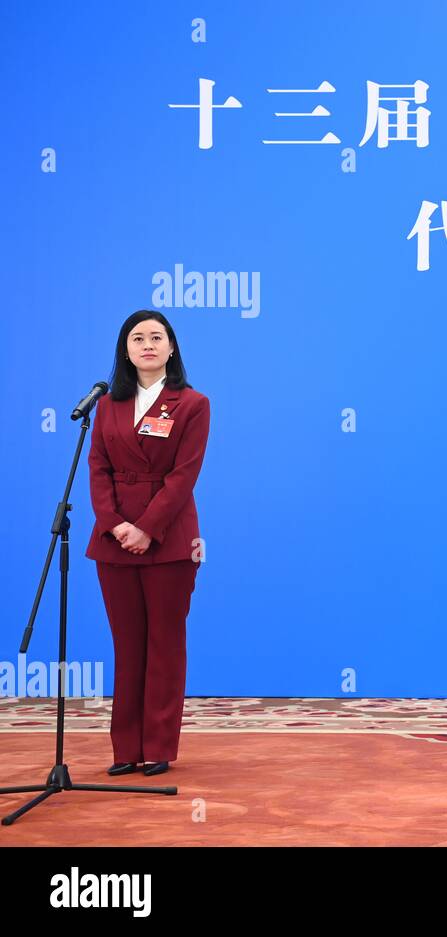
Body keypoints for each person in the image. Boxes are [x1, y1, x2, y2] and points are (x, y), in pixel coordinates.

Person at [86, 310, 210, 777]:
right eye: (137, 338)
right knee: (128, 645)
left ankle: (157, 746)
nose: (148, 345)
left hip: (168, 538)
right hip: (115, 539)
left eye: (157, 337)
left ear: (172, 347)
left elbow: (183, 477)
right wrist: (115, 524)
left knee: (165, 643)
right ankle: (126, 749)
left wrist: (146, 528)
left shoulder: (192, 404)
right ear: (125, 349)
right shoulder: (107, 405)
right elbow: (98, 468)